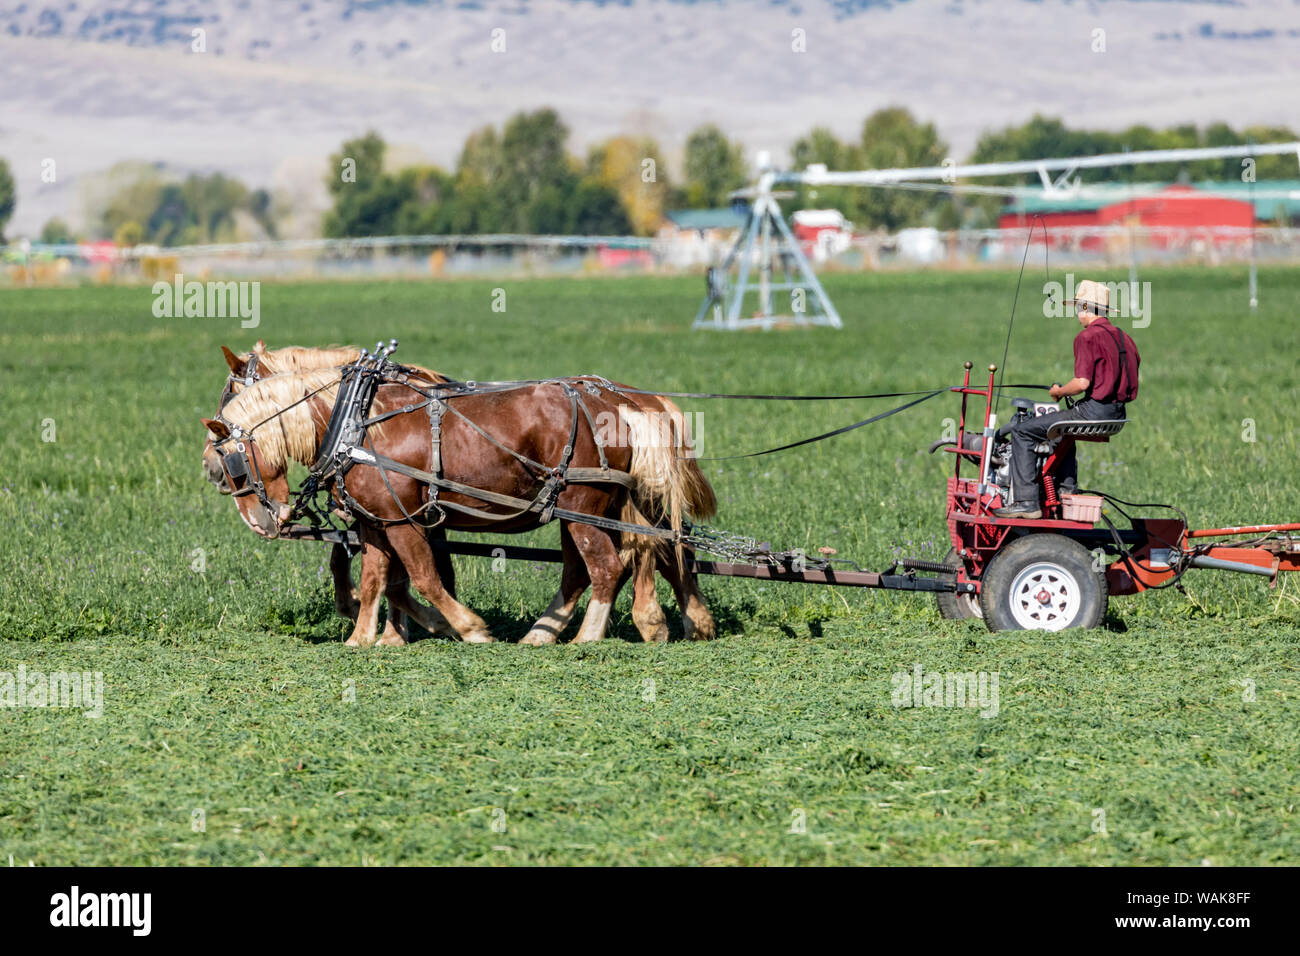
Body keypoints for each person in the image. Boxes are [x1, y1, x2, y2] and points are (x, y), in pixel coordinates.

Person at [992, 279, 1140, 519]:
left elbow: (1082, 383)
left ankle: (1027, 501)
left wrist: (1059, 392)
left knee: (1022, 431)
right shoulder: (1124, 338)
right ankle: (1066, 493)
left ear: (1085, 308)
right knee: (1062, 430)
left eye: (1077, 308)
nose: (1076, 314)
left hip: (1094, 412)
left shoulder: (1087, 337)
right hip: (1118, 413)